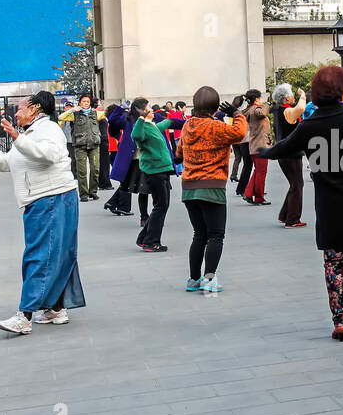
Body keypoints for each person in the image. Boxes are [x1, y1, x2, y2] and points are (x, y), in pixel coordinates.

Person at [259, 66, 343, 340]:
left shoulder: (310, 125)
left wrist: (263, 151)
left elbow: (282, 148)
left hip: (332, 205)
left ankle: (340, 318)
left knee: (334, 263)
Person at [0, 91, 84, 335]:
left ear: (35, 108)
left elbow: (49, 156)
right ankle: (55, 308)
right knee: (56, 253)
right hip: (44, 199)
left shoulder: (48, 129)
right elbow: (6, 163)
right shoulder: (30, 134)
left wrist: (17, 138)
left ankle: (25, 315)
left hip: (51, 197)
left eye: (20, 108)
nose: (16, 113)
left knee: (39, 255)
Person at [178, 89, 248, 292]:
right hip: (212, 186)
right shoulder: (216, 127)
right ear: (216, 107)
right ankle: (209, 280)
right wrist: (236, 113)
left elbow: (179, 152)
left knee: (199, 234)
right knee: (215, 236)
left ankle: (193, 280)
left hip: (189, 188)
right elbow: (239, 133)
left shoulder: (187, 125)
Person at [132, 98, 182, 252]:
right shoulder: (142, 127)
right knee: (161, 206)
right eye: (148, 108)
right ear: (142, 111)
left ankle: (143, 238)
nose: (152, 110)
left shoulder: (151, 126)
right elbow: (136, 136)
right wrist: (141, 118)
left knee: (160, 206)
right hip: (155, 171)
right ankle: (151, 242)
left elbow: (168, 123)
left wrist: (193, 121)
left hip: (161, 169)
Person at [271, 83, 309, 228]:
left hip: (284, 151)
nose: (293, 95)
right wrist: (303, 95)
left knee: (295, 184)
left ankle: (285, 214)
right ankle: (292, 219)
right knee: (297, 184)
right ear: (286, 98)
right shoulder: (287, 111)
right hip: (290, 153)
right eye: (291, 94)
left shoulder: (279, 110)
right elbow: (300, 109)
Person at [59, 93, 104, 201]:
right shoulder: (74, 114)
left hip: (94, 144)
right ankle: (83, 194)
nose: (86, 103)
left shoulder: (95, 113)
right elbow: (60, 117)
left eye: (88, 102)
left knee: (95, 169)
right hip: (80, 145)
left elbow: (106, 114)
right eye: (83, 101)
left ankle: (93, 192)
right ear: (79, 103)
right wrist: (72, 110)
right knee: (82, 171)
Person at [104, 102, 140, 217]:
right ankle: (122, 206)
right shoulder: (120, 121)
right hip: (121, 154)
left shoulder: (121, 122)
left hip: (121, 153)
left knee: (126, 181)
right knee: (127, 181)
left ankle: (114, 203)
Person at [241, 89, 272, 206]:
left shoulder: (249, 110)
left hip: (255, 145)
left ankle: (248, 193)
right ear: (256, 99)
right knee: (261, 172)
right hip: (261, 146)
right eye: (260, 98)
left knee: (258, 171)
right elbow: (262, 113)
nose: (262, 100)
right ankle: (259, 197)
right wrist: (268, 104)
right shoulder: (255, 109)